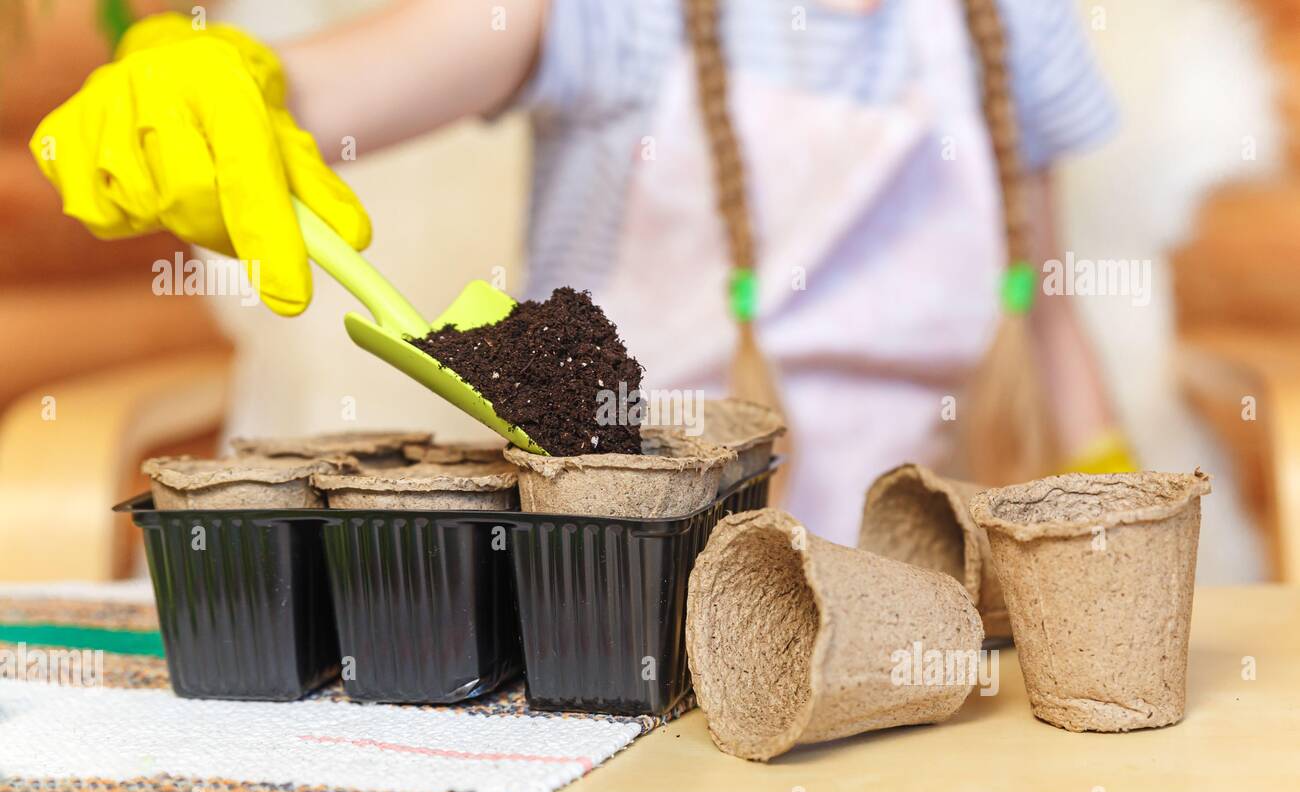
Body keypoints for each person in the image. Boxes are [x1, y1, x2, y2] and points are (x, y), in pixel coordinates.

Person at [29, 0, 1134, 545]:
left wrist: (1111, 500)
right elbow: (342, 90)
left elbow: (1041, 307)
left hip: (920, 576)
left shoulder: (1011, 22)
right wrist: (221, 86)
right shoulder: (618, 14)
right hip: (629, 569)